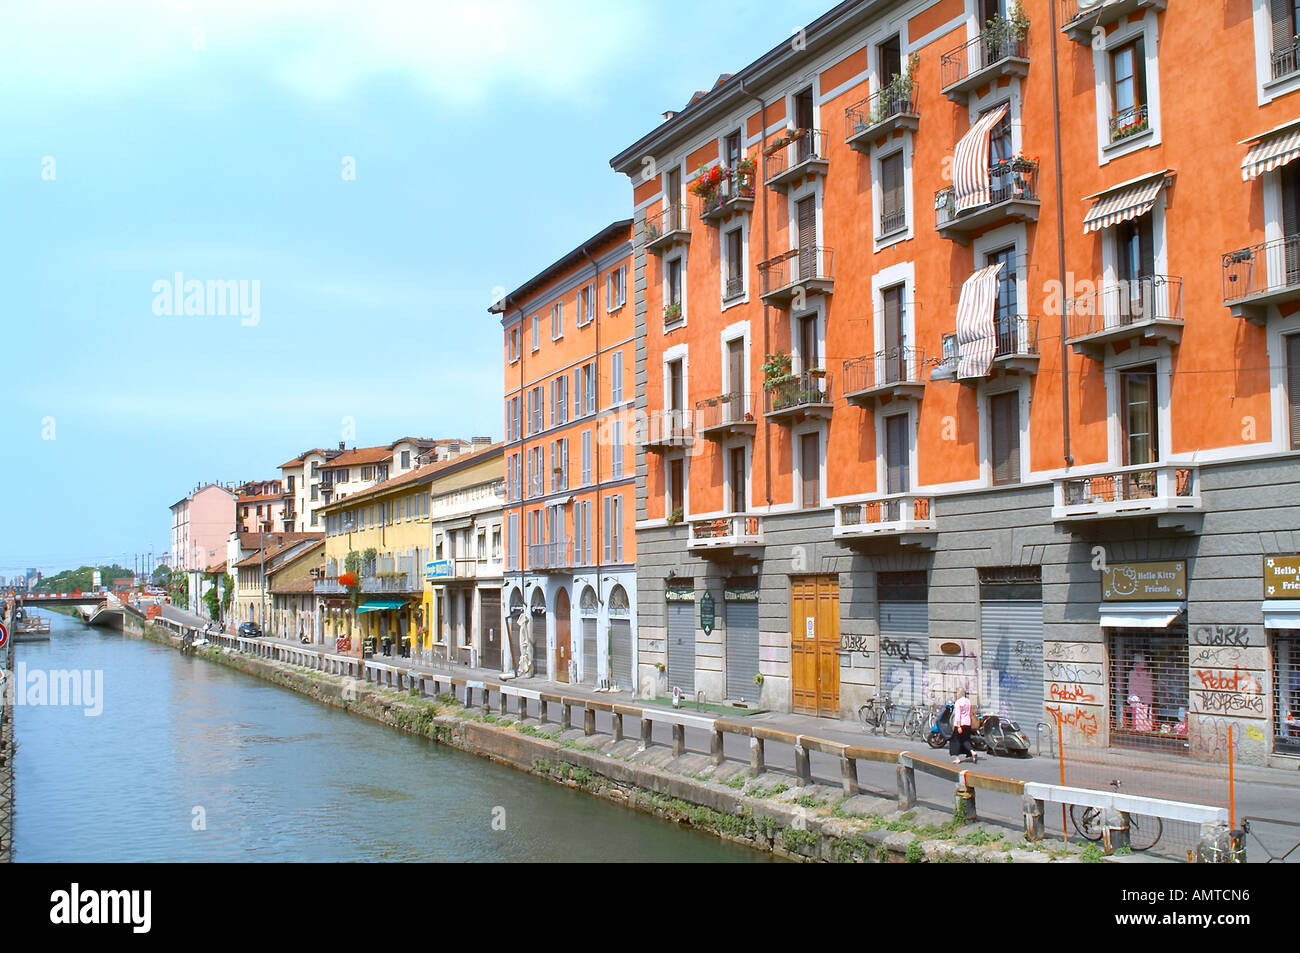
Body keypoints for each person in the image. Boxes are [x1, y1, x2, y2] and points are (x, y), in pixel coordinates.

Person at [950, 689, 976, 764]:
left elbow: (958, 715)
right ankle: (972, 751)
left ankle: (957, 758)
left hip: (960, 724)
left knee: (956, 740)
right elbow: (970, 713)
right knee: (966, 740)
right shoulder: (968, 701)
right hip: (967, 723)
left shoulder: (958, 702)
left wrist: (958, 726)